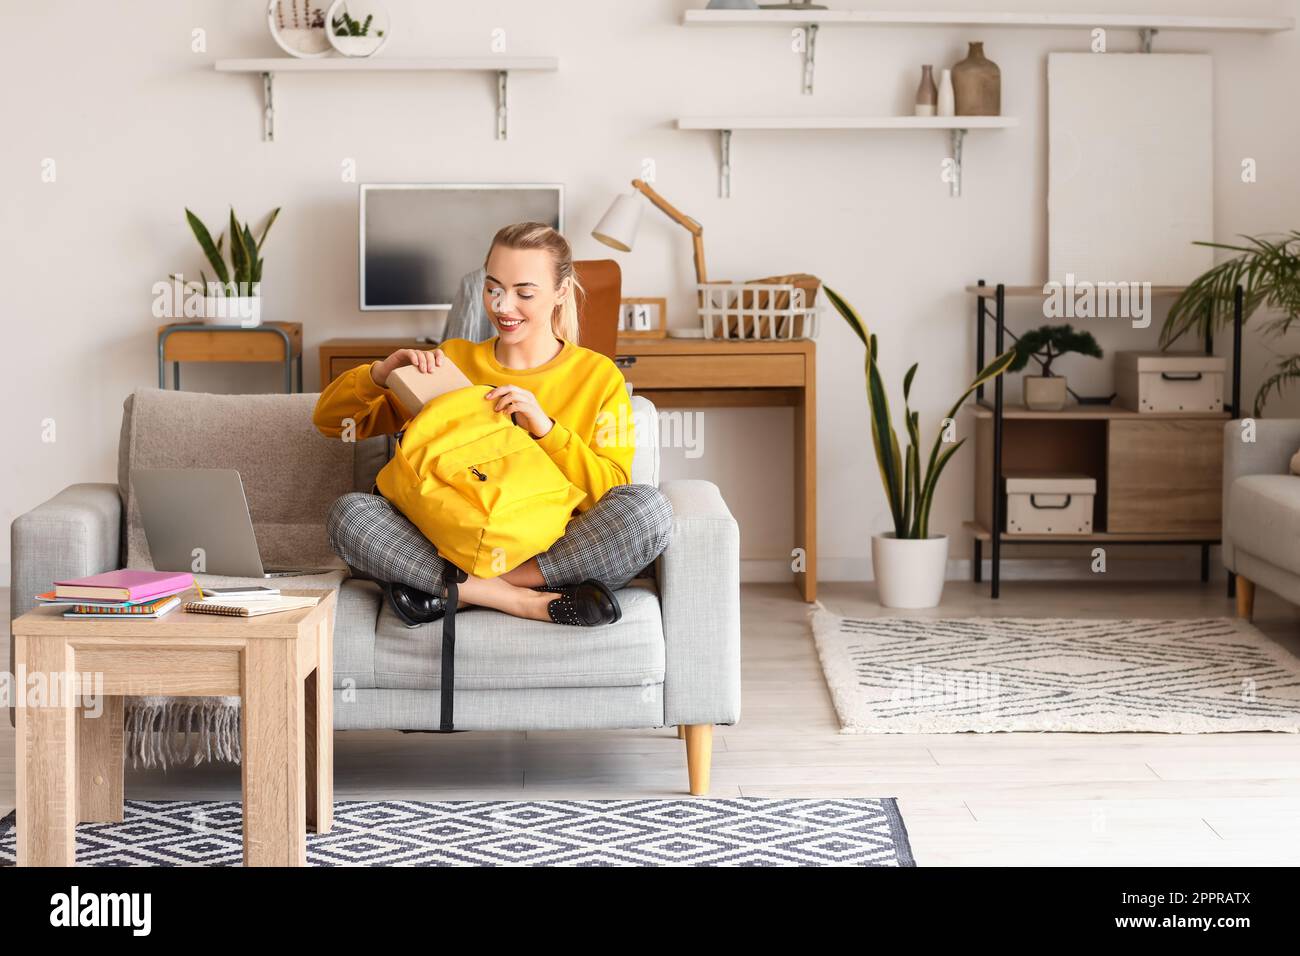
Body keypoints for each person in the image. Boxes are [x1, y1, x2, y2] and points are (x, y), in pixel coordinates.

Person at [312, 221, 673, 627]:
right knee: (351, 515)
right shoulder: (452, 359)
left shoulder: (598, 376)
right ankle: (521, 600)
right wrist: (379, 374)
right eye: (493, 288)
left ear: (560, 292)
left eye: (524, 293)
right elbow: (332, 422)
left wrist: (546, 430)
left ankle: (462, 591)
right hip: (453, 538)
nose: (502, 306)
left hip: (550, 548)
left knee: (647, 511)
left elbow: (610, 490)